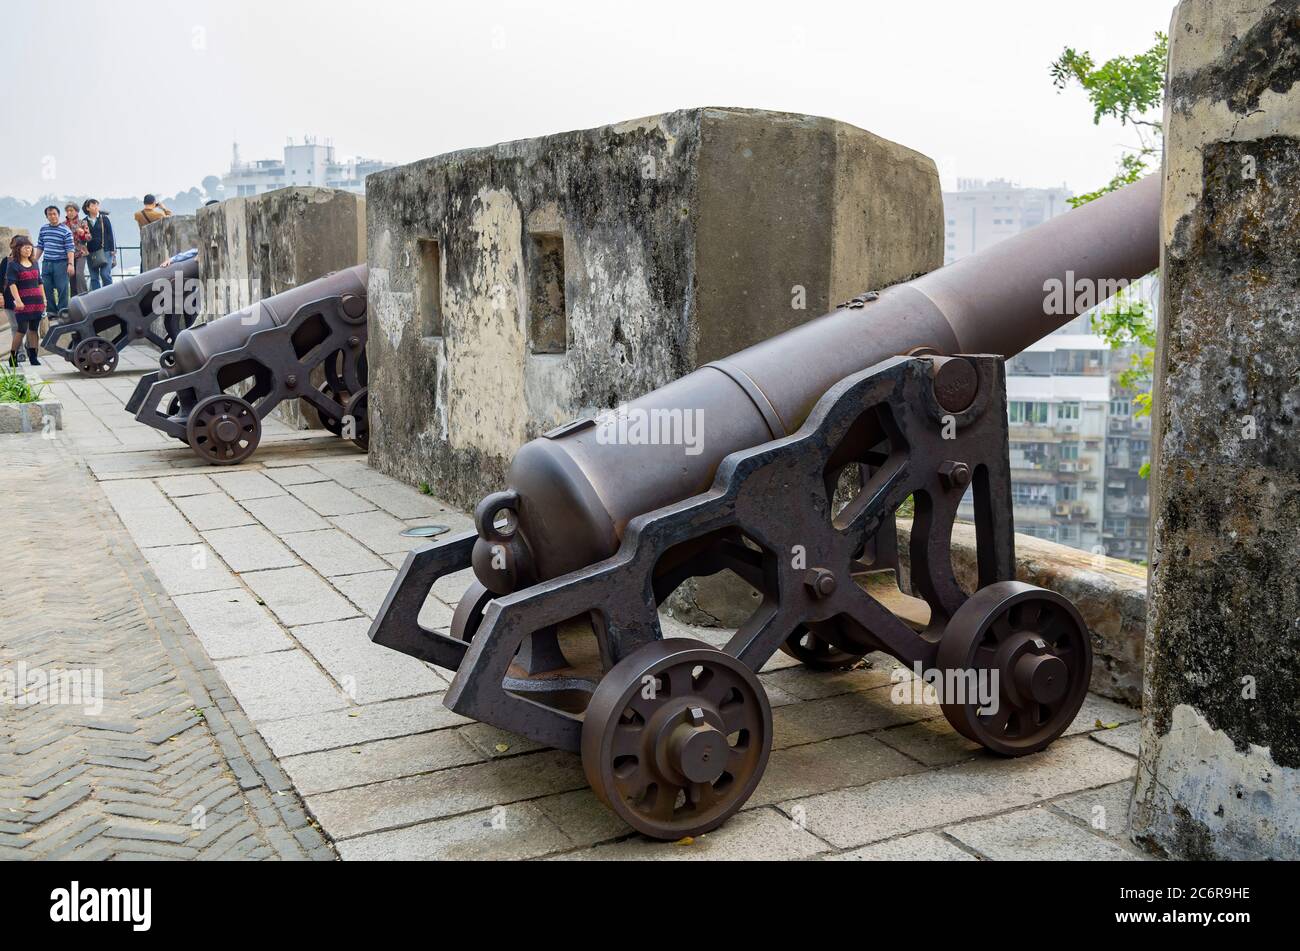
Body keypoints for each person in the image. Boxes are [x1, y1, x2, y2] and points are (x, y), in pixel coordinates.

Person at [6, 237, 46, 367]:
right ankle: (13, 356)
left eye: (30, 247)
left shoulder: (34, 262)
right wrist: (17, 300)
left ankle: (34, 356)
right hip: (22, 302)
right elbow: (12, 284)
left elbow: (40, 282)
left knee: (34, 329)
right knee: (21, 329)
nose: (29, 250)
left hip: (37, 301)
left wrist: (44, 299)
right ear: (19, 249)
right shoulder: (13, 265)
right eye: (26, 248)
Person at [35, 206, 75, 320]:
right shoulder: (43, 229)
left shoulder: (65, 230)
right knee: (46, 287)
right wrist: (34, 260)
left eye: (54, 214)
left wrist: (70, 264)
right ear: (47, 216)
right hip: (47, 263)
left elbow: (70, 249)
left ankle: (63, 311)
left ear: (58, 215)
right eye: (49, 214)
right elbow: (40, 245)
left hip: (61, 263)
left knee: (62, 288)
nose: (52, 216)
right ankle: (51, 312)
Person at [83, 199, 115, 290]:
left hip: (106, 250)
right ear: (87, 208)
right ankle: (97, 298)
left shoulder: (104, 219)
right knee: (94, 277)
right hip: (91, 252)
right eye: (93, 205)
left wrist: (113, 250)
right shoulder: (84, 221)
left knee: (105, 274)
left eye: (97, 205)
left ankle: (110, 294)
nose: (96, 207)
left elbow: (110, 234)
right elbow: (82, 237)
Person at [65, 203, 90, 296]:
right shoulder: (63, 225)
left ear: (76, 211)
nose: (69, 213)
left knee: (79, 274)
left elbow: (88, 237)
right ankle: (74, 298)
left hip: (81, 252)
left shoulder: (82, 223)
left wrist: (82, 234)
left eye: (71, 210)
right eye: (67, 211)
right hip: (68, 254)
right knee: (72, 276)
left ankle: (84, 295)